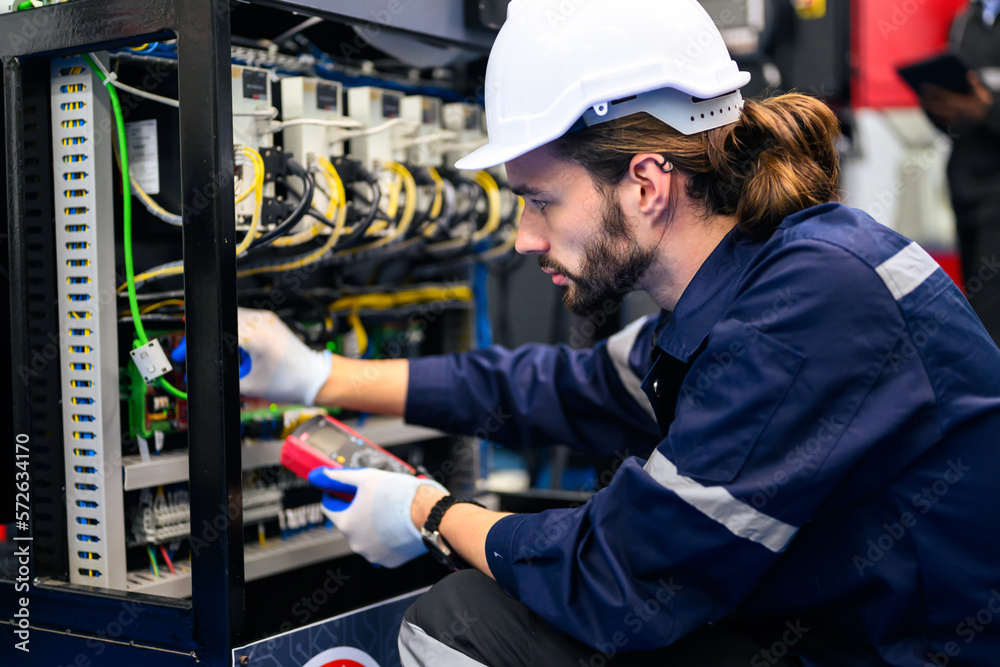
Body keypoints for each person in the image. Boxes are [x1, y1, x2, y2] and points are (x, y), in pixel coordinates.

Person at [236, 0, 1000, 664]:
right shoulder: (747, 280)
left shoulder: (808, 306)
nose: (525, 238)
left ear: (644, 183)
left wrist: (427, 513)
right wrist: (313, 374)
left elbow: (621, 582)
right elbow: (559, 388)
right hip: (832, 632)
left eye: (540, 201)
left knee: (463, 625)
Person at [918, 0, 1000, 346]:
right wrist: (939, 107)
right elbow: (959, 115)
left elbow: (984, 107)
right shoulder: (965, 20)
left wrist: (989, 110)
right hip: (967, 191)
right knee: (980, 312)